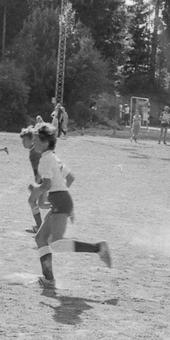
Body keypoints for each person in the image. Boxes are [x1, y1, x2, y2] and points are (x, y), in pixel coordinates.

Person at [29, 122, 111, 289]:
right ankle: (49, 279)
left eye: (37, 140)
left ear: (46, 142)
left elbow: (45, 185)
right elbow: (69, 178)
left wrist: (35, 195)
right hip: (61, 199)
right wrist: (58, 197)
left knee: (56, 244)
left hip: (60, 200)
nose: (34, 143)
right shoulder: (53, 156)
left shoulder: (45, 159)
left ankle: (98, 248)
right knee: (40, 239)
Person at [20, 126, 48, 233]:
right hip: (46, 179)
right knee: (41, 203)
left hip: (44, 180)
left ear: (31, 140)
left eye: (24, 140)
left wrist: (36, 183)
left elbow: (40, 169)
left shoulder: (34, 153)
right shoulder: (35, 150)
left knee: (32, 201)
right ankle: (60, 207)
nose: (23, 143)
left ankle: (40, 227)